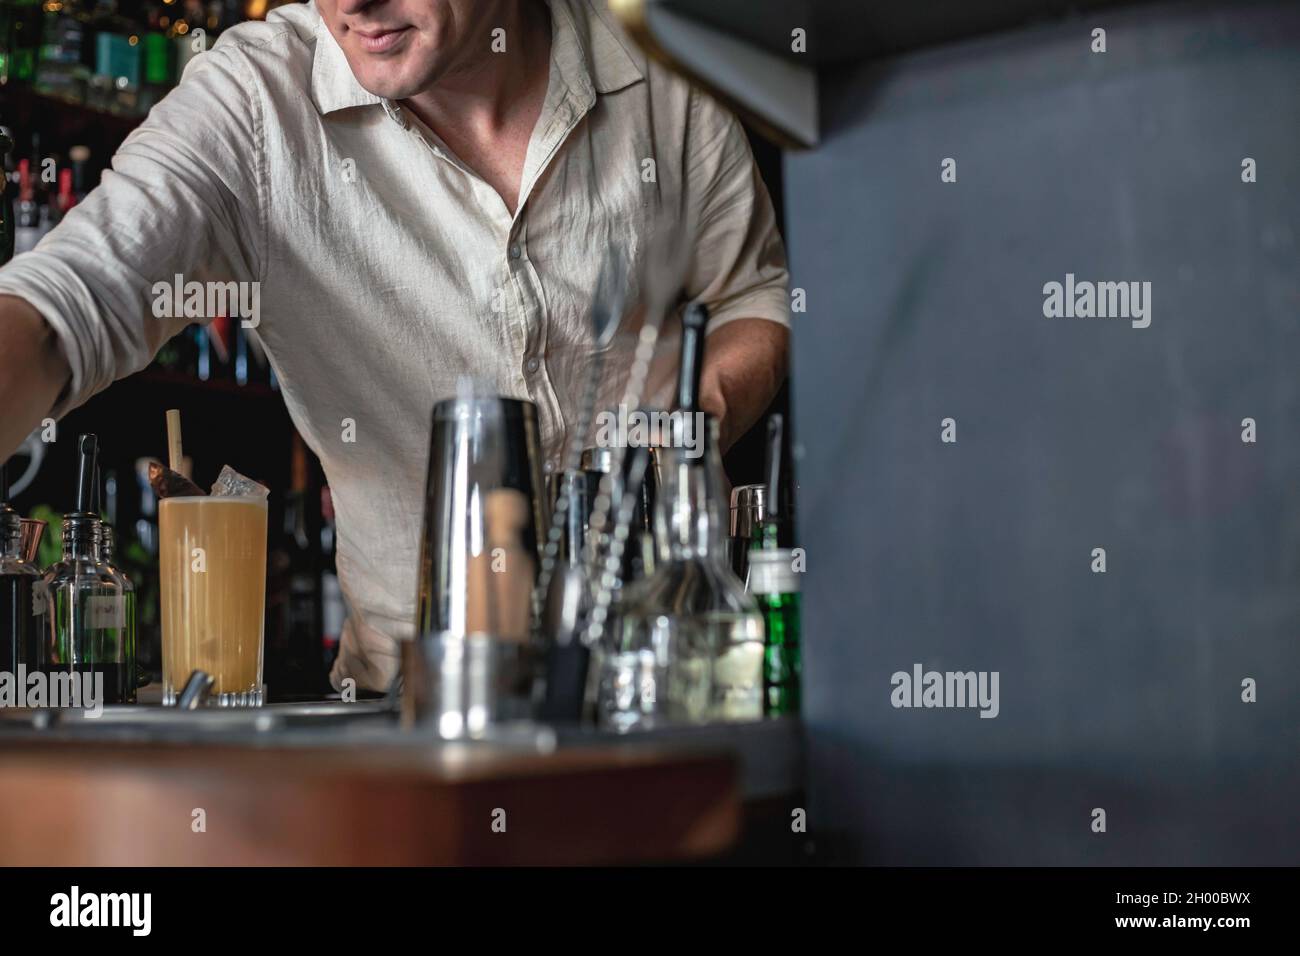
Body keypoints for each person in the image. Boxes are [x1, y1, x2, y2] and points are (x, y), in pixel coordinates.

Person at [0, 0, 790, 691]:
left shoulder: (656, 66)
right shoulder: (257, 104)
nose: (356, 3)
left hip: (661, 679)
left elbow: (754, 296)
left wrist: (692, 422)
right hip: (408, 706)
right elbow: (62, 303)